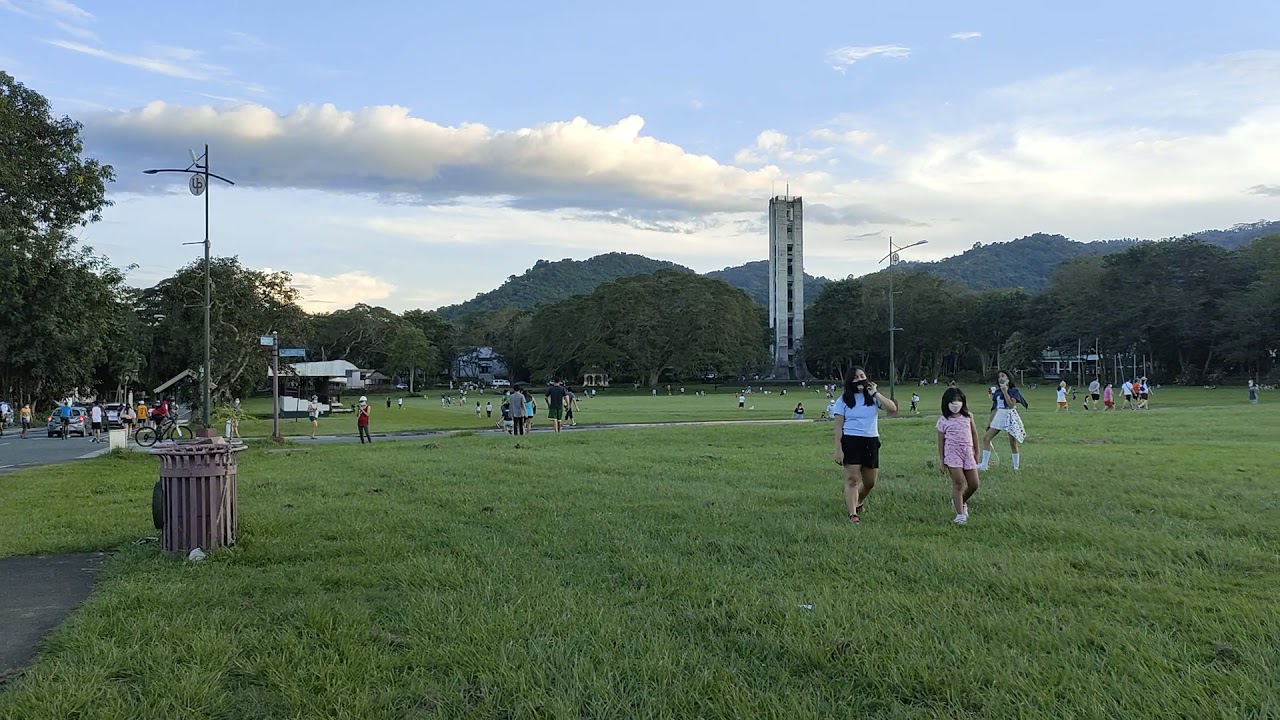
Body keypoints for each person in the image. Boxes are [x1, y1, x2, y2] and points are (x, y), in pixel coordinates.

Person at [832, 367, 897, 524]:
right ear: (850, 381)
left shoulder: (872, 397)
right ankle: (852, 514)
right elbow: (838, 427)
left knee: (869, 482)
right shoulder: (843, 401)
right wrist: (838, 449)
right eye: (855, 377)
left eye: (862, 376)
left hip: (870, 441)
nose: (860, 379)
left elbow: (892, 409)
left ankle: (859, 501)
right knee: (852, 479)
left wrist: (875, 393)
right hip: (851, 441)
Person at [937, 387, 981, 525]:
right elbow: (941, 441)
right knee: (959, 483)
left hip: (967, 453)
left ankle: (961, 501)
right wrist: (942, 461)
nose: (955, 404)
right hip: (952, 455)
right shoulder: (943, 420)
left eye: (958, 400)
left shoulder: (968, 417)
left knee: (974, 484)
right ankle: (960, 515)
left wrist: (977, 452)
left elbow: (974, 434)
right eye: (952, 401)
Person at [978, 371, 1028, 471]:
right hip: (999, 415)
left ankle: (1016, 467)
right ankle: (984, 465)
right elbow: (994, 408)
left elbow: (1011, 405)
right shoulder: (997, 393)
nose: (1000, 378)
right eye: (999, 377)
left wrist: (1005, 392)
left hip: (1010, 415)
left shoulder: (1014, 391)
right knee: (986, 438)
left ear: (1008, 378)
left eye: (1003, 376)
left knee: (1012, 442)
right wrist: (990, 422)